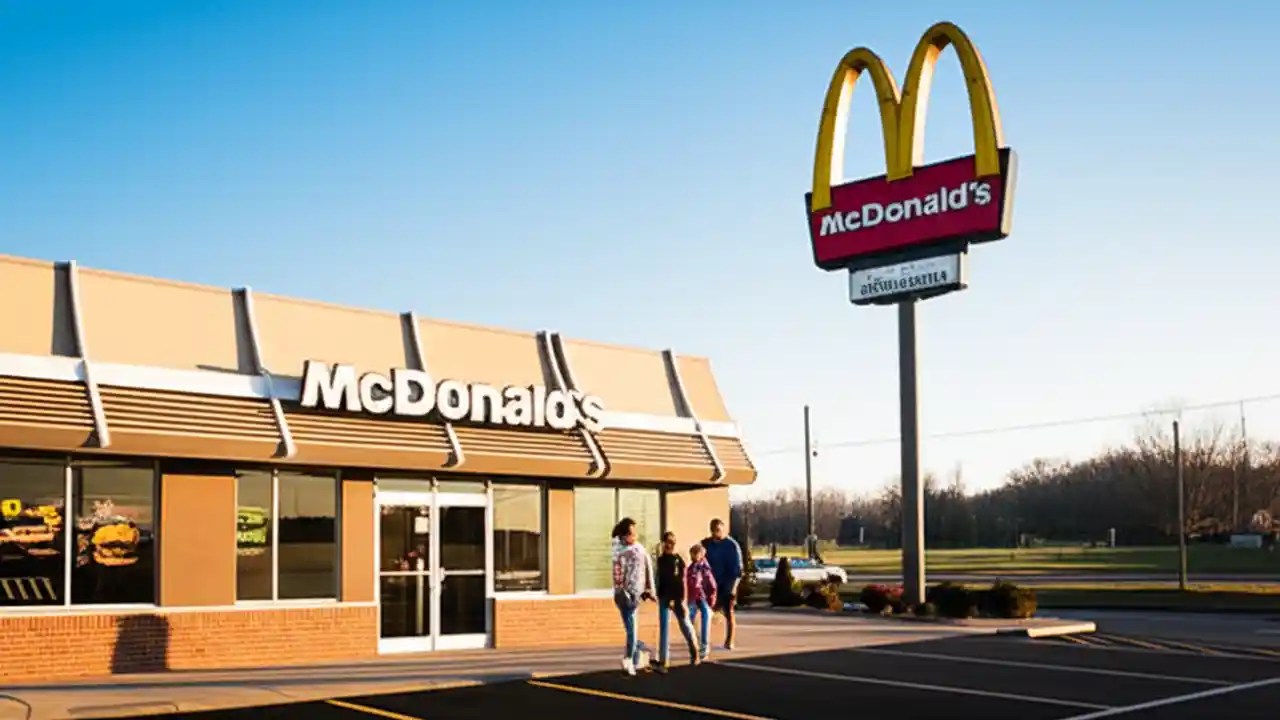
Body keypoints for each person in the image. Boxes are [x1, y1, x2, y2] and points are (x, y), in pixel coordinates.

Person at [611, 516, 654, 675]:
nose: (634, 536)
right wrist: (621, 591)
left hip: (637, 593)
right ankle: (630, 658)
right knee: (632, 629)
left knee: (632, 628)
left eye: (635, 533)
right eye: (631, 533)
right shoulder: (619, 551)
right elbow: (617, 575)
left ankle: (636, 654)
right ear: (624, 535)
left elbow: (648, 568)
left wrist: (649, 590)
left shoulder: (639, 549)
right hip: (624, 595)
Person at [654, 531, 699, 673]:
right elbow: (659, 578)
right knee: (664, 629)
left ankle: (694, 651)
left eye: (672, 543)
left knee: (685, 624)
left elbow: (680, 581)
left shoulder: (677, 560)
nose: (669, 545)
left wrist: (680, 599)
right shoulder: (660, 560)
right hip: (663, 596)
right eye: (667, 542)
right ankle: (663, 660)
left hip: (677, 597)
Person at [701, 518, 743, 650]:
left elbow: (738, 570)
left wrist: (733, 588)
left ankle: (729, 640)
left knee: (729, 611)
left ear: (723, 530)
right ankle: (704, 640)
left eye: (718, 530)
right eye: (713, 531)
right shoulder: (706, 544)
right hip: (712, 583)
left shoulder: (731, 545)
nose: (715, 534)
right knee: (706, 611)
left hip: (728, 582)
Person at [685, 542, 717, 661]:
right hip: (692, 597)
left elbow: (711, 583)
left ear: (701, 554)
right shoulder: (690, 568)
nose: (692, 557)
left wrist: (711, 598)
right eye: (692, 554)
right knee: (690, 620)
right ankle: (695, 643)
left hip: (702, 596)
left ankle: (704, 646)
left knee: (705, 619)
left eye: (694, 554)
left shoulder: (704, 568)